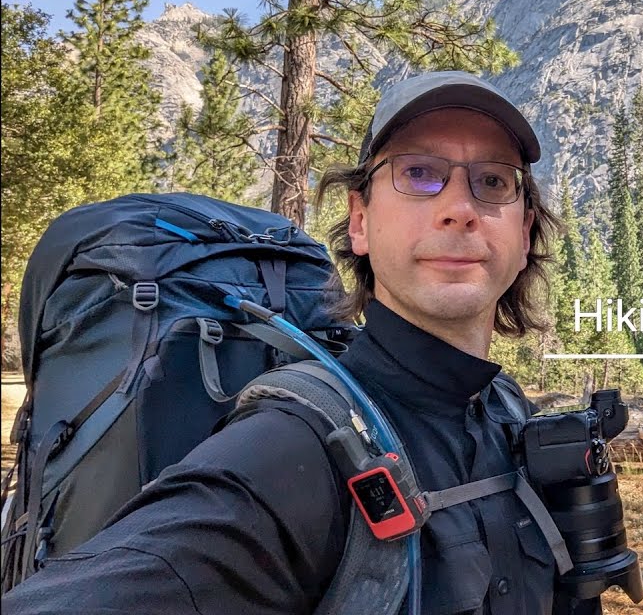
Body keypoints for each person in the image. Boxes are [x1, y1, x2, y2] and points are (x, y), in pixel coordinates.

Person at [3, 72, 589, 615]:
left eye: (492, 182)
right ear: (359, 220)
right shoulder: (288, 454)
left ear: (524, 228)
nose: (460, 208)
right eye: (418, 174)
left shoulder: (506, 410)